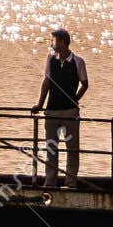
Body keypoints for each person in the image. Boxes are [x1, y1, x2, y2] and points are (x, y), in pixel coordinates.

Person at [31, 28, 88, 187]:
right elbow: (46, 82)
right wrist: (40, 104)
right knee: (51, 148)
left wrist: (74, 99)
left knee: (72, 149)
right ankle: (50, 182)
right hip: (52, 109)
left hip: (70, 111)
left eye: (54, 40)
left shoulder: (78, 62)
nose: (52, 44)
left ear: (63, 42)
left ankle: (71, 183)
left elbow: (84, 84)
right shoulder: (51, 59)